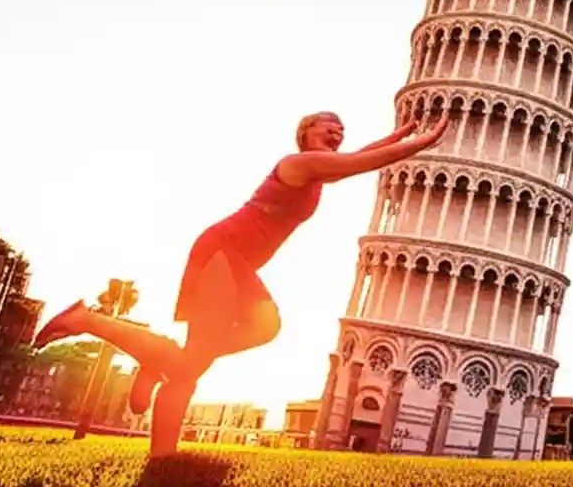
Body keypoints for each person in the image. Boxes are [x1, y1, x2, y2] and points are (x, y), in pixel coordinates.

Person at [33, 111, 449, 457]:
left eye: (341, 126)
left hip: (237, 263)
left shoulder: (317, 172)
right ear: (304, 132)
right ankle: (90, 323)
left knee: (257, 330)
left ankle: (156, 365)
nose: (337, 129)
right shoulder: (298, 163)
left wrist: (401, 133)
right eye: (327, 123)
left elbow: (356, 157)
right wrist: (420, 141)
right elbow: (359, 164)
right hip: (223, 253)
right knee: (191, 366)